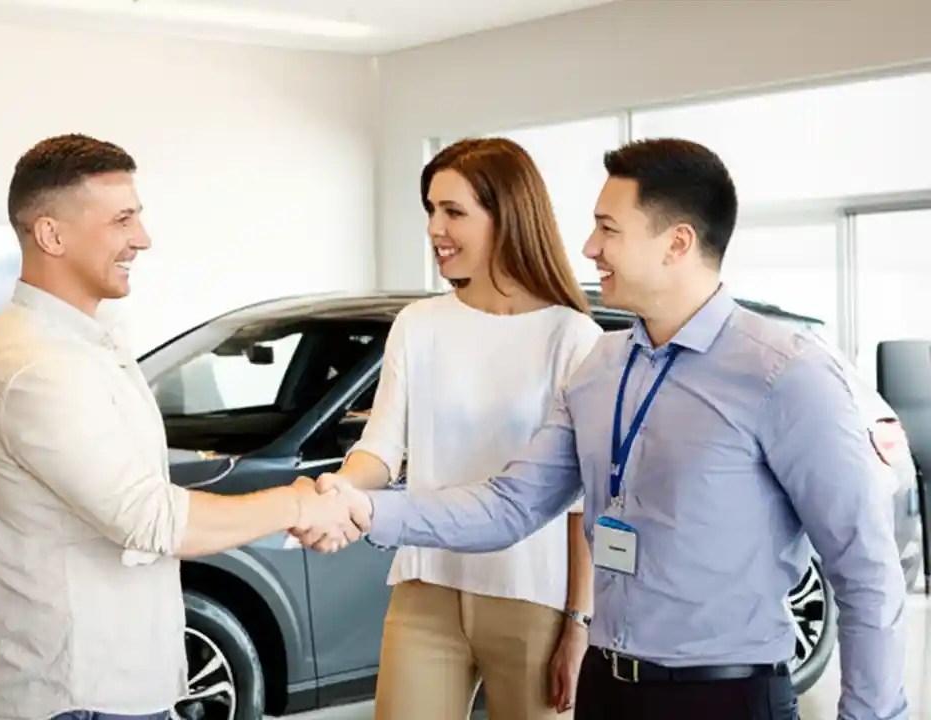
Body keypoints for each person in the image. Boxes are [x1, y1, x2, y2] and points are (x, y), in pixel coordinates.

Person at [308, 138, 909, 720]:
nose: (590, 247)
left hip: (723, 696)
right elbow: (510, 505)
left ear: (677, 242)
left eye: (608, 229)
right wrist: (367, 510)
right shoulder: (601, 367)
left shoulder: (785, 372)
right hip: (609, 686)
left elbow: (866, 573)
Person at [0, 133, 360, 720]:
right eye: (123, 220)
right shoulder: (38, 365)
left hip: (124, 687)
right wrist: (298, 503)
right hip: (84, 700)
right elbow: (149, 519)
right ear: (52, 235)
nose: (142, 239)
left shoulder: (85, 339)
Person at [301, 137, 601, 719]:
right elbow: (382, 447)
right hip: (425, 585)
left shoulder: (571, 338)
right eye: (431, 210)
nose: (436, 228)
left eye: (454, 212)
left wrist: (578, 623)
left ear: (507, 216)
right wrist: (340, 490)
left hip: (532, 597)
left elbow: (582, 503)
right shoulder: (419, 325)